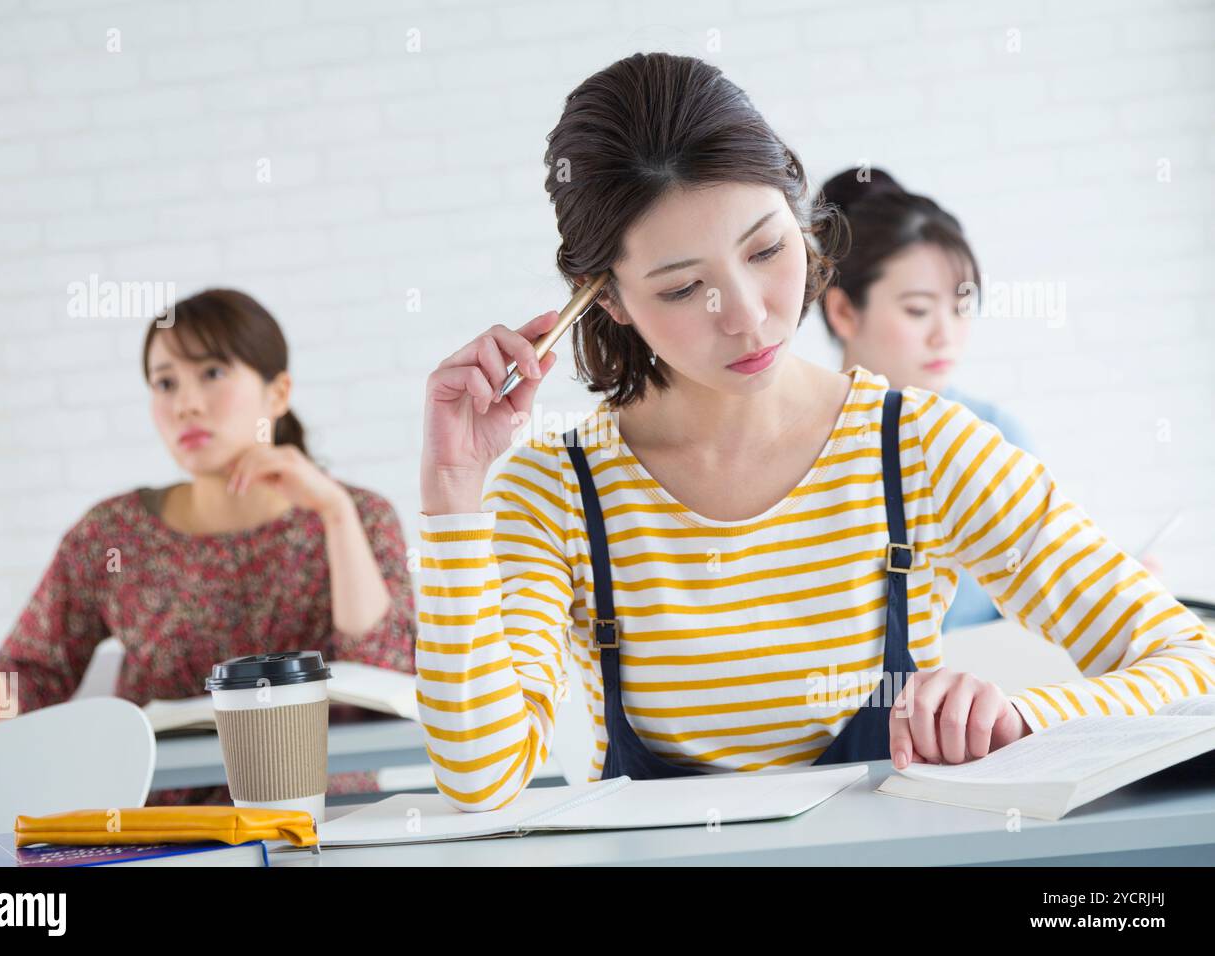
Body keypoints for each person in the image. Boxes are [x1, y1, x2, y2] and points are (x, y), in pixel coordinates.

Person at [412, 52, 1215, 813]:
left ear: (802, 220)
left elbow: (1196, 668)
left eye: (766, 248)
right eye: (686, 288)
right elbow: (481, 783)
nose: (751, 314)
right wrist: (452, 492)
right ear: (607, 299)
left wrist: (1023, 717)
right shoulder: (555, 491)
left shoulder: (922, 448)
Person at [0, 288, 417, 805]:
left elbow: (384, 677)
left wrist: (334, 514)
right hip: (158, 823)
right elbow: (33, 671)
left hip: (324, 822)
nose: (185, 403)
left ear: (277, 393)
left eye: (212, 373)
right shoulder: (111, 534)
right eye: (165, 383)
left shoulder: (360, 516)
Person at [816, 168, 1164, 631]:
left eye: (961, 307)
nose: (946, 335)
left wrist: (1109, 596)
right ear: (842, 311)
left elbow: (1040, 599)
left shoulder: (993, 433)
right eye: (918, 310)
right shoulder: (807, 443)